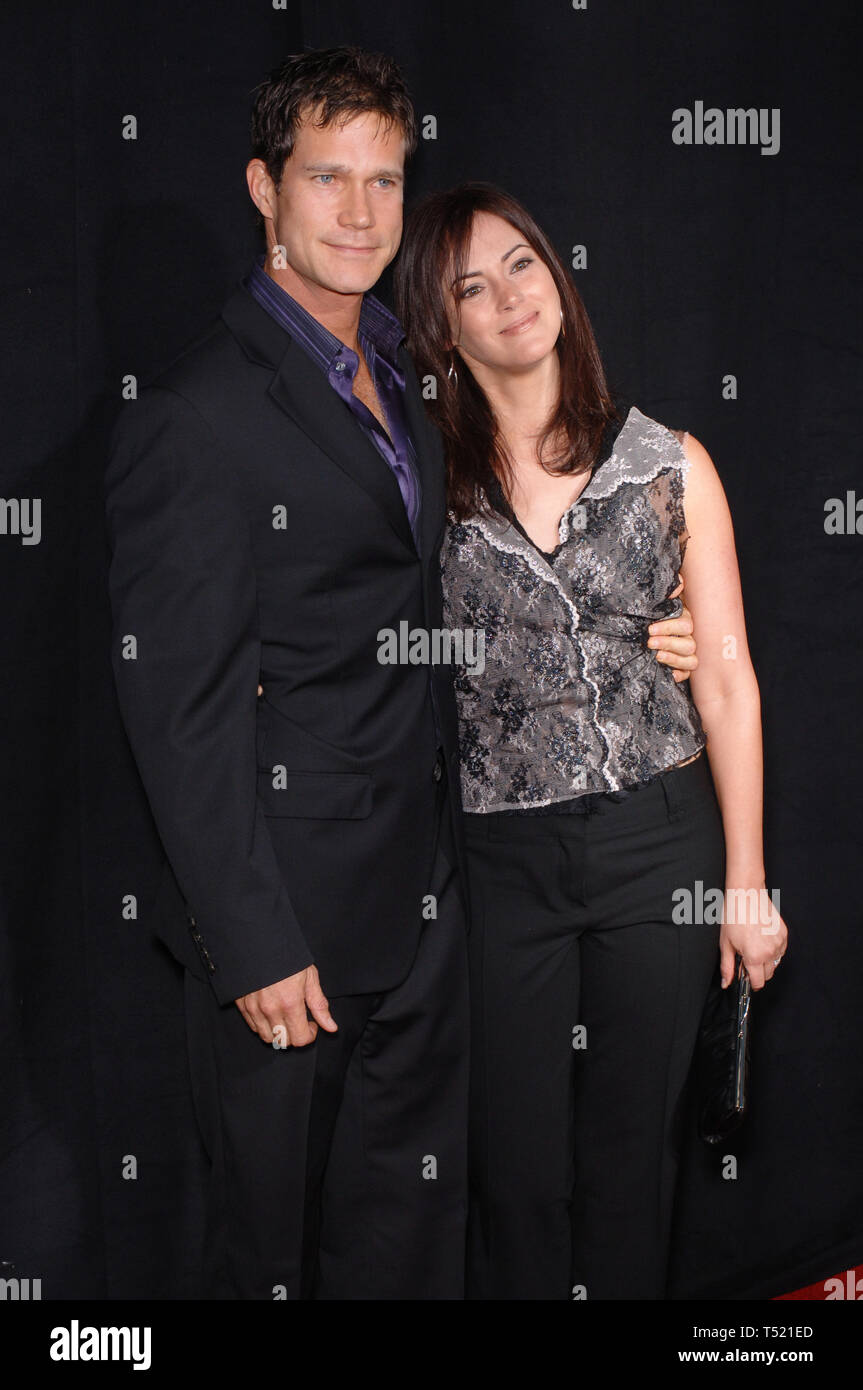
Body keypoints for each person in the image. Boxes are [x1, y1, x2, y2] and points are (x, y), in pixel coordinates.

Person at [104, 46, 696, 1300]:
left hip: (433, 909)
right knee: (264, 1259)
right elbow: (179, 706)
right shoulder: (195, 414)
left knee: (406, 1255)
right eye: (329, 178)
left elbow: (482, 585)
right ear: (263, 189)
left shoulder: (415, 380)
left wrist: (654, 633)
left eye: (385, 178)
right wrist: (248, 938)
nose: (364, 212)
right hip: (284, 929)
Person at [394, 182, 789, 1300]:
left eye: (521, 263)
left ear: (557, 282)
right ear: (445, 322)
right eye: (470, 285)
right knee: (511, 1175)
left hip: (656, 847)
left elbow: (723, 678)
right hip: (498, 860)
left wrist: (744, 884)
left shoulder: (671, 463)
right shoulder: (424, 477)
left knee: (631, 1173)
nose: (508, 296)